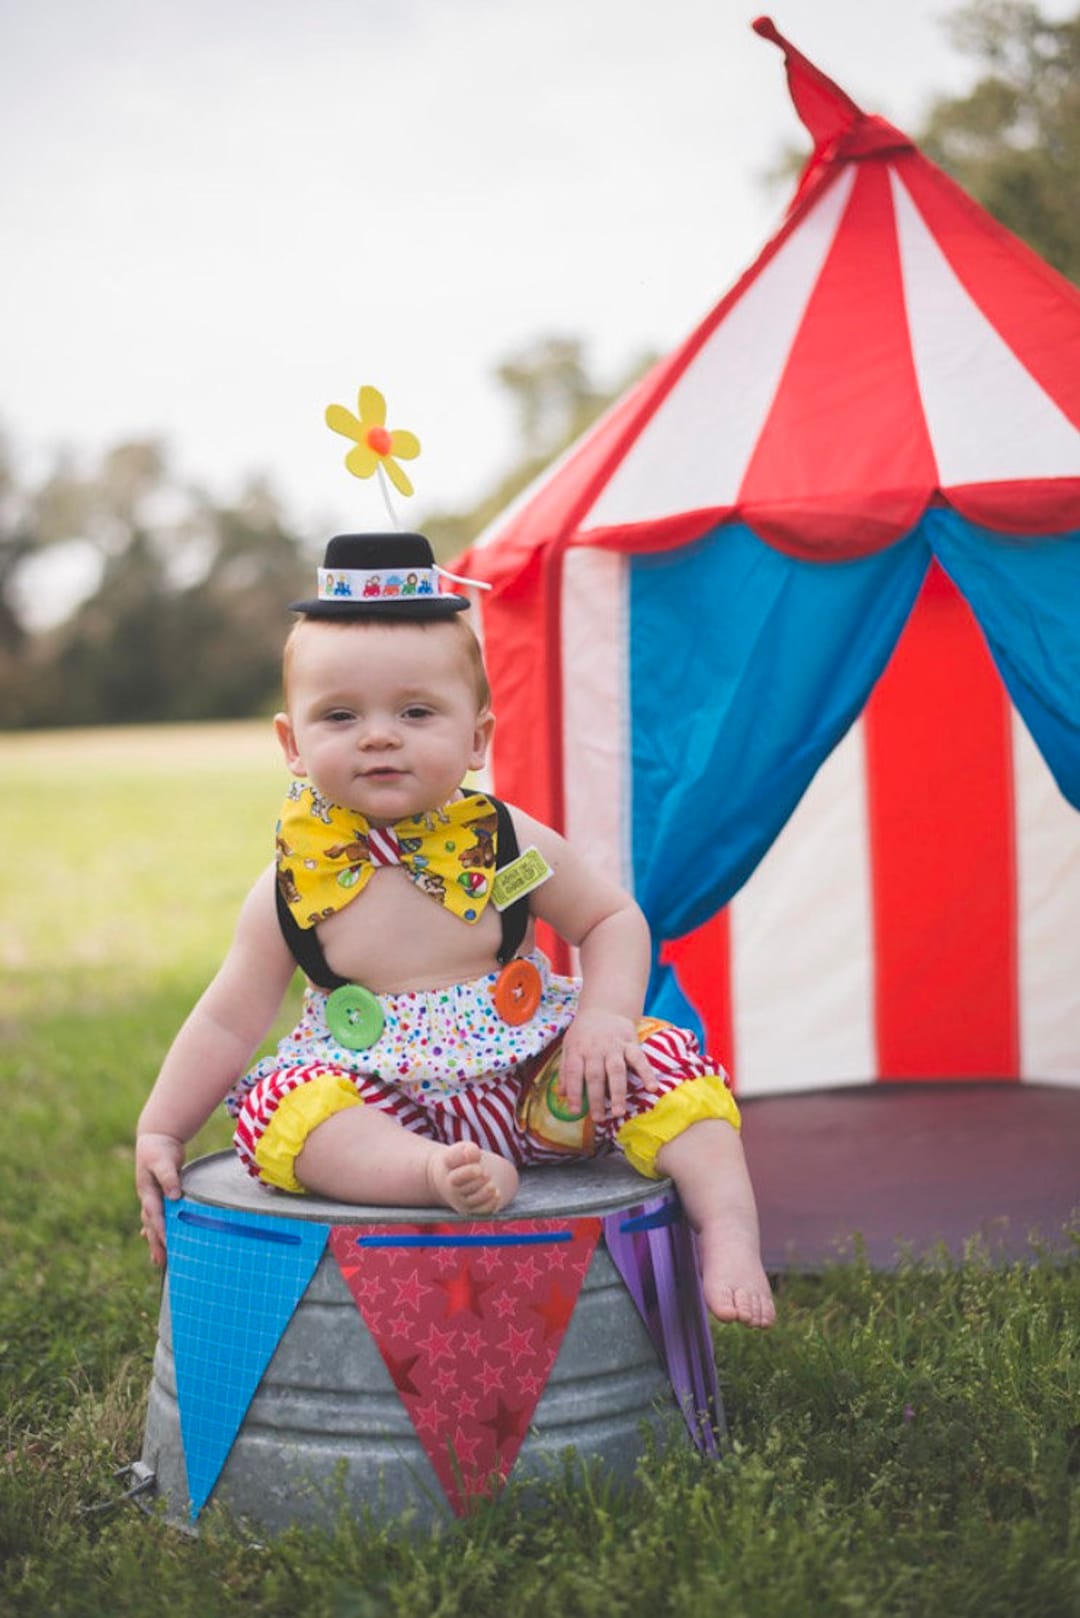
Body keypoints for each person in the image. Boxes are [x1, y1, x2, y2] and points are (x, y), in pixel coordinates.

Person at [136, 533, 775, 1328]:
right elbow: (230, 1016)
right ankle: (432, 1173)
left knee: (665, 1065)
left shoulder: (509, 842)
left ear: (476, 739)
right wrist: (164, 1126)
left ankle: (730, 1232)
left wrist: (604, 1018)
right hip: (385, 1099)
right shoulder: (293, 883)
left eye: (415, 711)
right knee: (281, 1106)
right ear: (292, 745)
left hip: (538, 1085)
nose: (379, 735)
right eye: (341, 715)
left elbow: (610, 917)